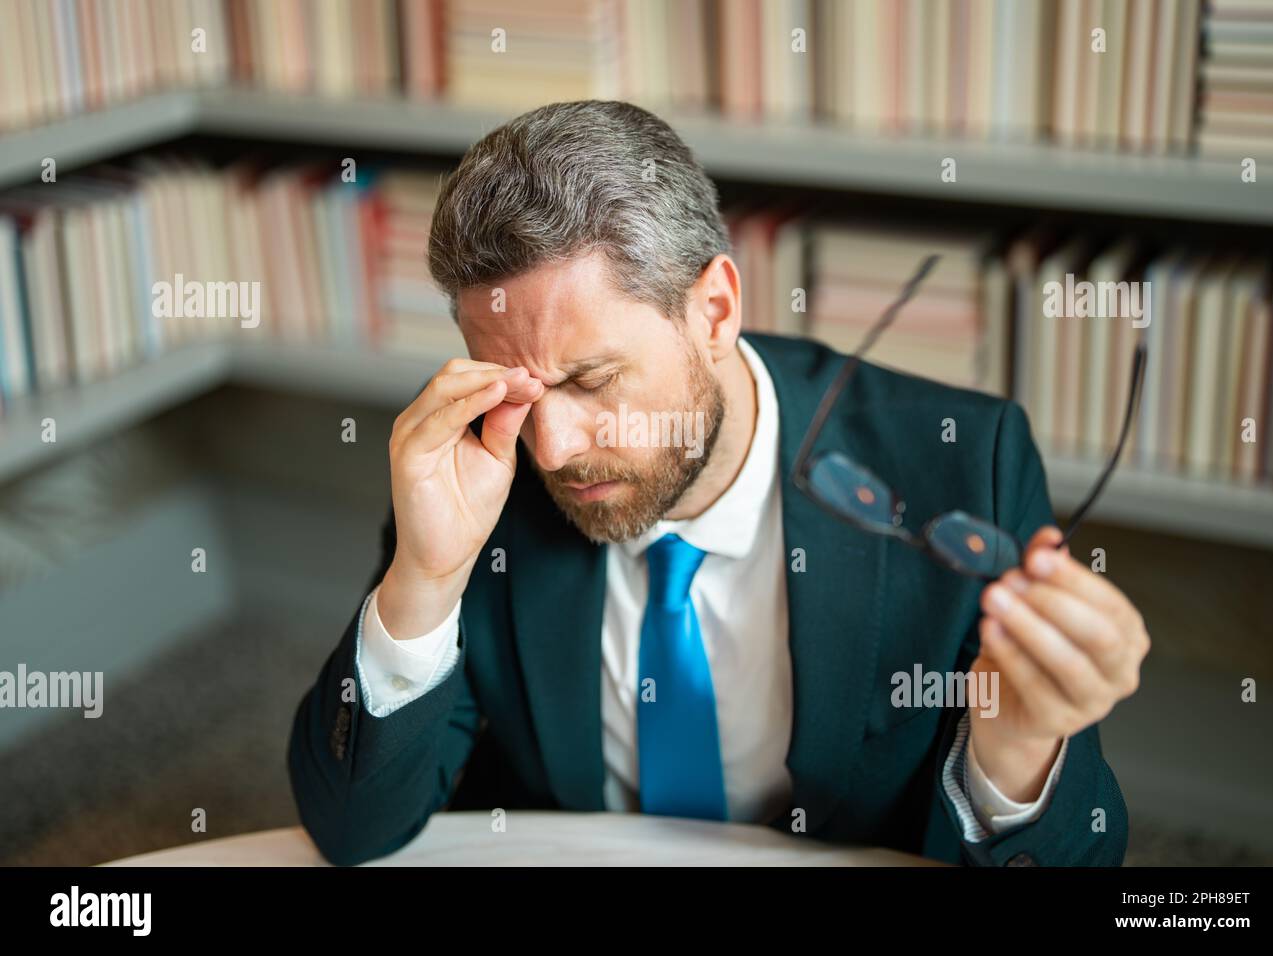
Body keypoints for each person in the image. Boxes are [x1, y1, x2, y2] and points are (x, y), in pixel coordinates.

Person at [287, 100, 1148, 866]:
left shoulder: (964, 463)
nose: (549, 448)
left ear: (715, 311)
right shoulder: (475, 471)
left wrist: (1021, 743)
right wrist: (426, 582)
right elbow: (352, 829)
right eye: (515, 389)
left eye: (591, 380)